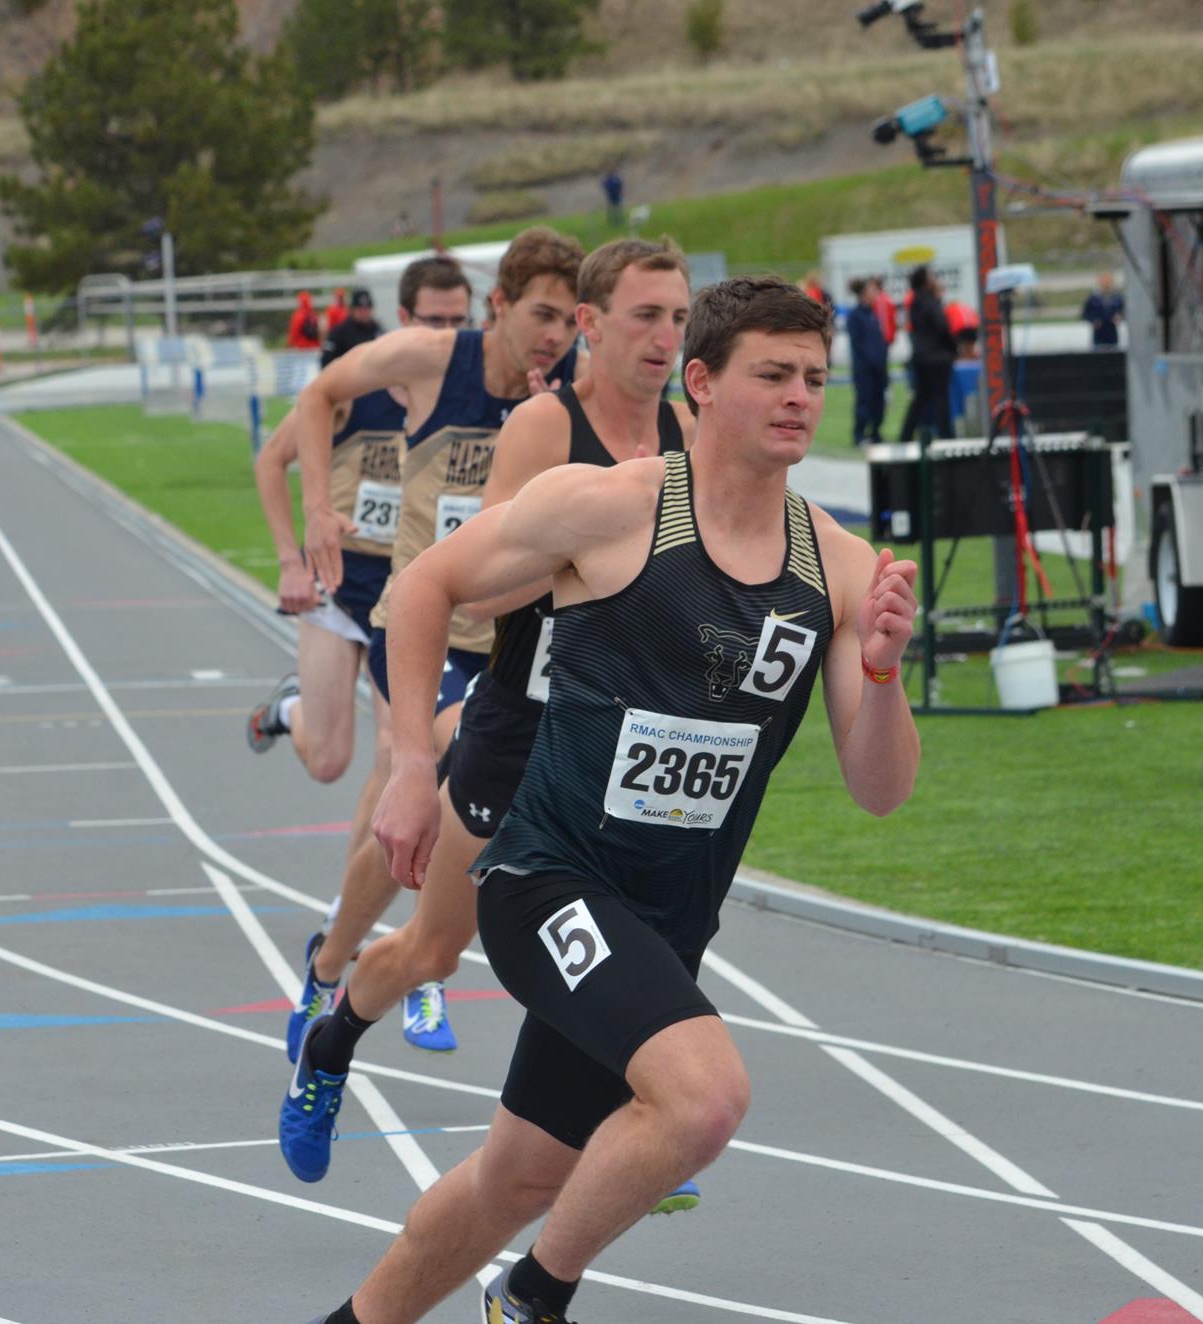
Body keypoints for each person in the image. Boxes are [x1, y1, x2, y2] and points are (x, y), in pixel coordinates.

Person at [300, 276, 920, 1324]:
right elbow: (422, 589)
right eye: (769, 373)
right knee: (704, 1096)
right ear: (701, 384)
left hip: (667, 916)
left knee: (518, 1180)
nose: (798, 397)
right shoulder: (614, 506)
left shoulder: (842, 566)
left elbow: (877, 789)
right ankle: (532, 1301)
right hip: (548, 877)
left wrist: (883, 675)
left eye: (814, 378)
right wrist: (411, 763)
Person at [282, 238, 695, 1194]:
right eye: (645, 316)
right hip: (520, 725)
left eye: (678, 318)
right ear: (593, 325)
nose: (664, 338)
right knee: (434, 947)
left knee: (634, 940)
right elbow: (486, 592)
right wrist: (594, 549)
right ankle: (331, 1044)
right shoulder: (549, 428)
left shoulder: (684, 434)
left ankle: (639, 1117)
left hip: (616, 740)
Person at [279, 226, 585, 1068]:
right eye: (542, 314)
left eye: (569, 321)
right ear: (499, 307)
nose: (555, 336)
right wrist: (312, 512)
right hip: (420, 626)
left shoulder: (570, 395)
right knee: (433, 756)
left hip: (517, 639)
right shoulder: (428, 358)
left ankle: (343, 961)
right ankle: (386, 965)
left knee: (406, 801)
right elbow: (316, 399)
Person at [248, 258, 474, 787]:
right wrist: (290, 562)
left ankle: (386, 864)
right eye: (433, 321)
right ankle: (289, 709)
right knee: (328, 762)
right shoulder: (356, 386)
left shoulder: (466, 392)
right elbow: (270, 462)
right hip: (339, 578)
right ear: (402, 317)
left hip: (405, 587)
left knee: (402, 747)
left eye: (457, 322)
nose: (445, 335)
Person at [898, 265, 955, 442]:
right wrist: (953, 348)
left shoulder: (915, 300)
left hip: (922, 356)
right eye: (931, 276)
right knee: (940, 398)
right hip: (937, 356)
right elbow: (942, 327)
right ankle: (946, 435)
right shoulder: (929, 301)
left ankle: (906, 434)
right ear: (924, 281)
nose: (934, 279)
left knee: (921, 398)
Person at [846, 277, 888, 445]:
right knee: (864, 401)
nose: (875, 295)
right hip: (864, 368)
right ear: (863, 294)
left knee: (879, 402)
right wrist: (871, 360)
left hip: (879, 367)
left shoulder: (873, 314)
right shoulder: (855, 316)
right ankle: (859, 435)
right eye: (872, 291)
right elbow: (860, 345)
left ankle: (876, 433)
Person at [320, 289, 380, 367]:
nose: (365, 312)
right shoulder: (339, 332)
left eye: (367, 308)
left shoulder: (377, 329)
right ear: (353, 309)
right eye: (360, 309)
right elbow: (326, 360)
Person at [1081, 270, 1124, 349]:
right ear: (1099, 282)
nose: (1106, 283)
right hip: (1099, 336)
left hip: (1112, 335)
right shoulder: (1093, 298)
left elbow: (1124, 312)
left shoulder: (1117, 298)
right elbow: (1084, 314)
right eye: (1104, 281)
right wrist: (1093, 320)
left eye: (1108, 280)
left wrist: (1120, 317)